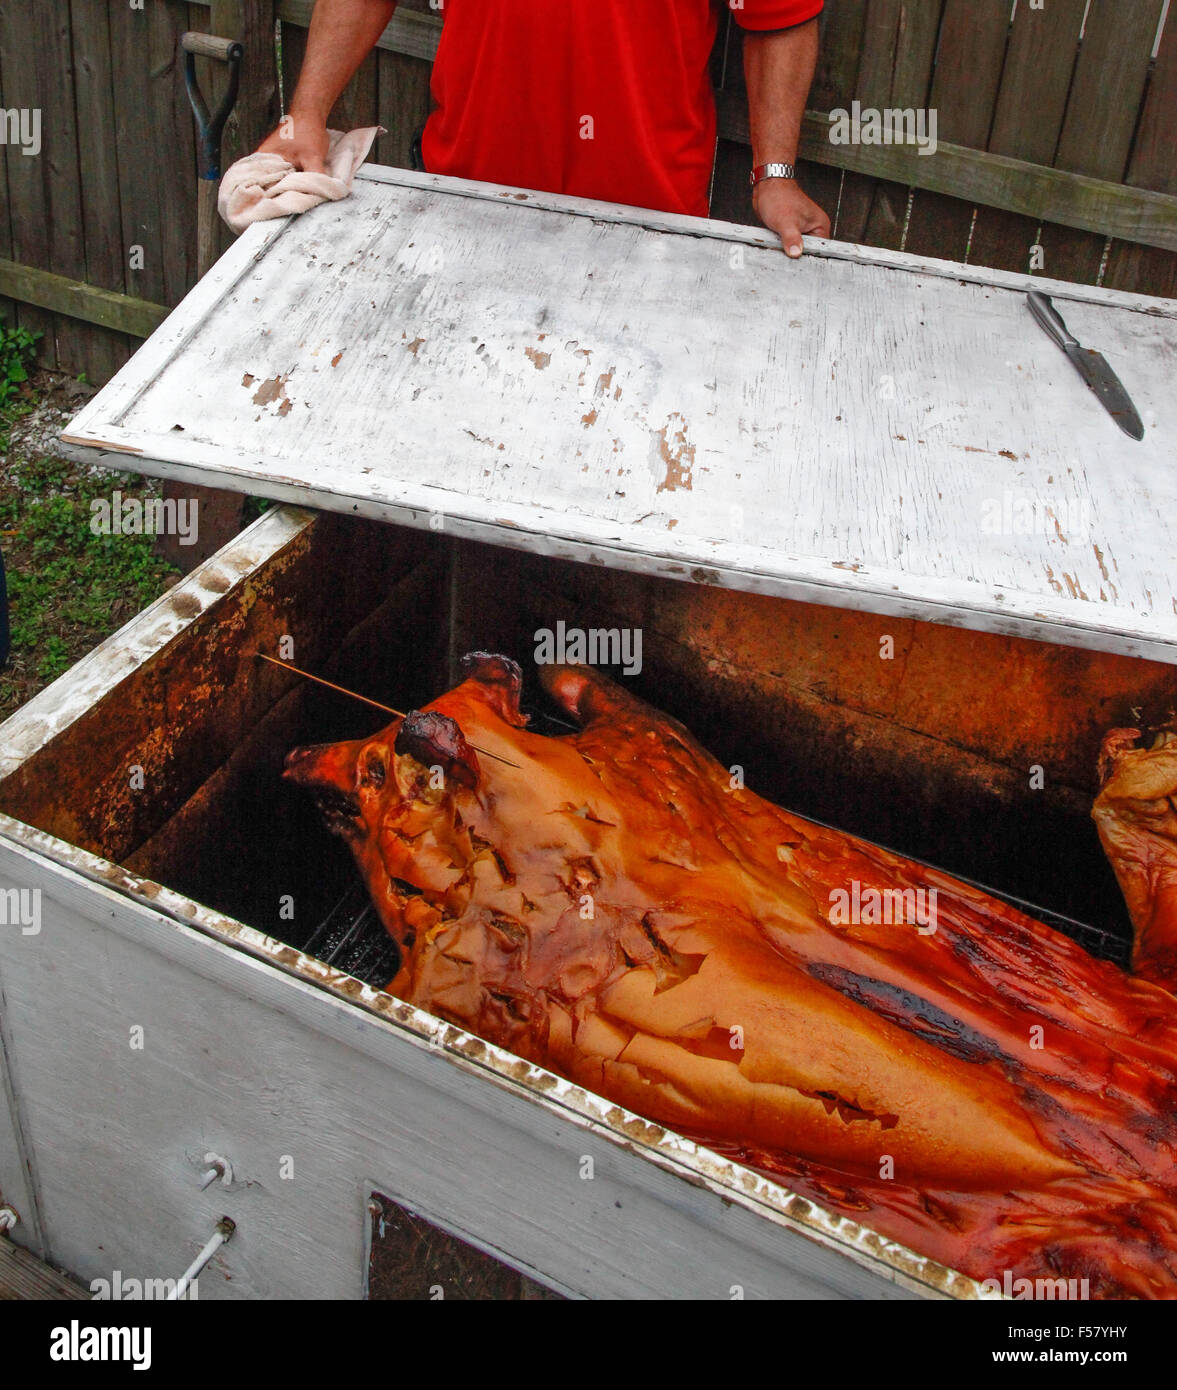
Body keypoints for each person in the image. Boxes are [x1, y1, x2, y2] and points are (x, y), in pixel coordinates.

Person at [259, 1, 831, 258]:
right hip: (462, 203)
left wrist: (775, 175)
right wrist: (305, 114)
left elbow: (779, 17)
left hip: (650, 226)